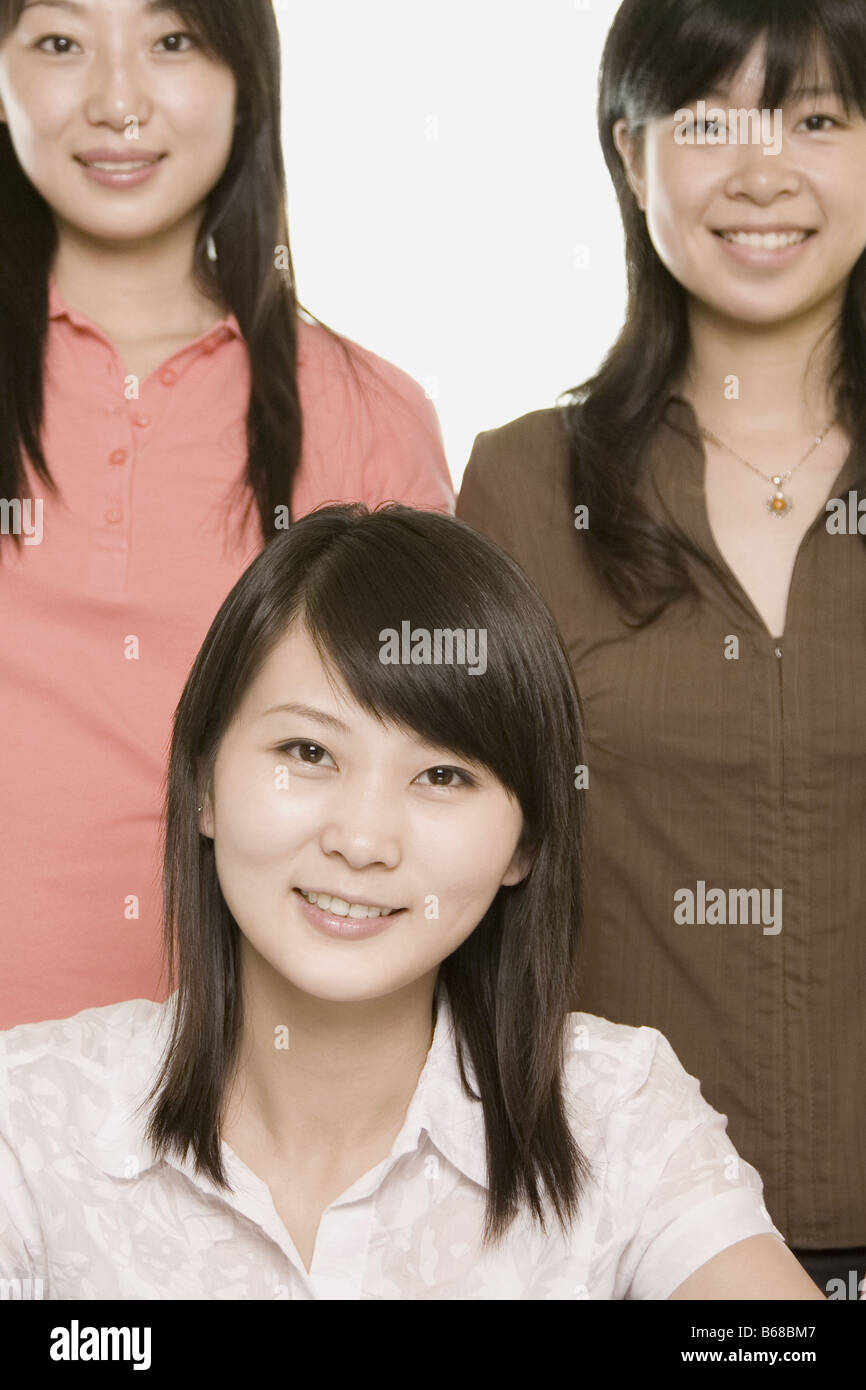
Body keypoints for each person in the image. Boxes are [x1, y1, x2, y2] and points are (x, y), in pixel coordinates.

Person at [0, 502, 825, 1299]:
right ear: (206, 784)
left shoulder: (615, 1110)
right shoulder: (30, 1120)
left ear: (525, 842)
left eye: (442, 775)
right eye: (308, 750)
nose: (362, 841)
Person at [456, 0, 866, 1296]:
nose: (761, 170)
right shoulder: (523, 486)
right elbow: (452, 876)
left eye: (814, 118)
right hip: (613, 1234)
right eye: (706, 121)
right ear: (629, 157)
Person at [0, 0, 453, 1029]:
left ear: (248, 79)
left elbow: (432, 781)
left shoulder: (367, 413)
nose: (118, 101)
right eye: (60, 43)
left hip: (243, 1097)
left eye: (172, 42)